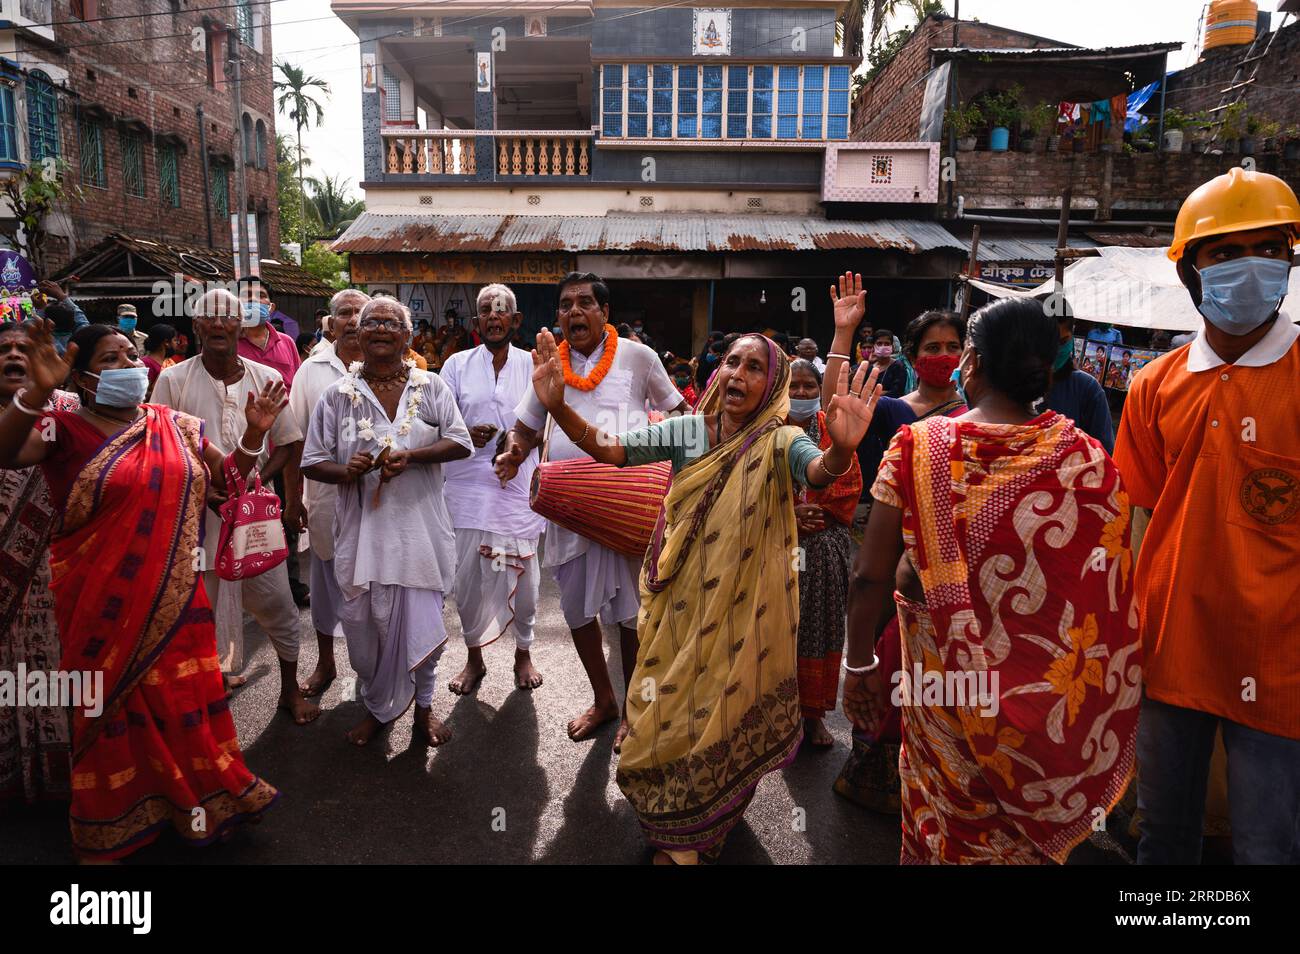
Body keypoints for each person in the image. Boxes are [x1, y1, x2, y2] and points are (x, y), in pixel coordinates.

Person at [526, 328, 879, 863]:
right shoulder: (690, 431)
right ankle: (672, 803)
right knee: (667, 697)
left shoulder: (780, 439)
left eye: (754, 367)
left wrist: (843, 450)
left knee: (724, 704)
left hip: (744, 609)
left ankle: (694, 826)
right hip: (680, 599)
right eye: (732, 362)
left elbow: (817, 471)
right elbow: (616, 451)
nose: (738, 373)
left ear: (773, 383)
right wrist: (559, 408)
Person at [844, 296, 1141, 864]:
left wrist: (859, 665)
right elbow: (1103, 586)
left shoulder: (918, 448)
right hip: (1042, 693)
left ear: (972, 362)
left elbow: (870, 576)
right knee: (1014, 838)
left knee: (946, 813)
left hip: (940, 686)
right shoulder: (1085, 457)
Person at [0, 320, 280, 858]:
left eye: (131, 354)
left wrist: (252, 434)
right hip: (99, 606)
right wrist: (37, 391)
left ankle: (196, 803)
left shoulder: (176, 424)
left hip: (177, 601)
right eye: (110, 359)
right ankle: (120, 815)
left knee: (180, 704)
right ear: (81, 377)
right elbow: (7, 452)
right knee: (112, 711)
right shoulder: (65, 428)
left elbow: (232, 481)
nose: (128, 365)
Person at [1113, 168, 1300, 864]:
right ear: (1192, 270)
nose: (1250, 265)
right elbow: (1141, 519)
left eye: (1269, 247)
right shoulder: (1152, 387)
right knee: (1164, 839)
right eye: (1225, 251)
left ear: (1289, 258)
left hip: (1282, 663)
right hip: (1173, 652)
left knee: (1267, 847)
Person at [494, 272, 685, 746]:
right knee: (579, 609)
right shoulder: (548, 365)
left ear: (605, 312)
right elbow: (524, 426)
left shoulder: (638, 356)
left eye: (584, 303)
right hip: (570, 507)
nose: (573, 312)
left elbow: (678, 413)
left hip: (632, 504)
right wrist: (513, 452)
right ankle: (604, 700)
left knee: (631, 614)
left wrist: (676, 466)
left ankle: (634, 710)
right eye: (564, 305)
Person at [301, 297, 472, 747]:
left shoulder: (431, 386)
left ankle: (424, 709)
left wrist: (412, 456)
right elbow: (312, 461)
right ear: (355, 334)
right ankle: (378, 708)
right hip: (361, 539)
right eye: (370, 321)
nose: (380, 328)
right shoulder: (336, 396)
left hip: (420, 535)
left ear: (408, 336)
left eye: (391, 322)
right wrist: (349, 471)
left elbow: (460, 441)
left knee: (421, 626)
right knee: (363, 630)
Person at [824, 286, 969, 809]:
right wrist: (843, 333)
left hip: (953, 556)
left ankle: (935, 771)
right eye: (931, 347)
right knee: (889, 655)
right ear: (912, 356)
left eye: (953, 345)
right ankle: (877, 771)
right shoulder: (889, 412)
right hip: (892, 551)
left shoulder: (981, 414)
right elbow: (834, 414)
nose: (942, 355)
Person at [151, 289, 317, 723]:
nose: (221, 325)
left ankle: (289, 691)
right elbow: (164, 445)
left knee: (278, 604)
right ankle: (213, 685)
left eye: (229, 318)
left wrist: (262, 478)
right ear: (197, 328)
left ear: (240, 324)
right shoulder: (173, 380)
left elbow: (288, 442)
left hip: (254, 515)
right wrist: (203, 488)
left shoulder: (266, 377)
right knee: (201, 610)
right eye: (211, 318)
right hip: (200, 519)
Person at [440, 284, 547, 695]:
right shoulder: (455, 365)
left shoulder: (534, 365)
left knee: (525, 578)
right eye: (486, 311)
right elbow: (440, 421)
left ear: (515, 321)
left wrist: (519, 445)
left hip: (518, 490)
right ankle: (474, 656)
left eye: (502, 311)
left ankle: (523, 652)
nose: (494, 317)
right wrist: (466, 433)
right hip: (468, 490)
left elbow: (548, 422)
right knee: (468, 580)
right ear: (476, 322)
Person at [0, 321, 77, 805]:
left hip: (63, 573)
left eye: (23, 348)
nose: (13, 354)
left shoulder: (69, 412)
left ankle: (72, 780)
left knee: (64, 672)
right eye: (3, 348)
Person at [287, 288, 369, 699]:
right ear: (331, 323)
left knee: (374, 583)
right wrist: (293, 498)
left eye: (361, 312)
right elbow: (293, 438)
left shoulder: (390, 363)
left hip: (376, 498)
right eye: (345, 313)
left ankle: (374, 666)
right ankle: (326, 661)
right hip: (323, 496)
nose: (353, 320)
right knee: (324, 584)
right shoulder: (311, 370)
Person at [787, 358, 861, 749]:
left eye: (807, 386)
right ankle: (775, 721)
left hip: (824, 550)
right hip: (773, 549)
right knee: (776, 637)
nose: (800, 393)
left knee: (820, 634)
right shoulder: (766, 429)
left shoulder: (832, 429)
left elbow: (850, 484)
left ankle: (813, 716)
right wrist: (788, 514)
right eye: (792, 386)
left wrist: (820, 512)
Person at [1043, 302, 1114, 452]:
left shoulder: (1087, 388)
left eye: (1062, 341)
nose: (1055, 350)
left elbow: (1104, 453)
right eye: (1046, 343)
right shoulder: (1008, 388)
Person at [237, 278, 301, 392]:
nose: (253, 299)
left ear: (271, 308)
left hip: (285, 408)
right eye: (247, 295)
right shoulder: (226, 343)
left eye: (261, 295)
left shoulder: (287, 342)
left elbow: (299, 385)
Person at [870, 329, 908, 398]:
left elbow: (896, 392)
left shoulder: (898, 367)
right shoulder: (869, 368)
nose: (883, 346)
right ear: (874, 346)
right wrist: (884, 392)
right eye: (879, 343)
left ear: (892, 347)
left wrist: (874, 394)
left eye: (887, 344)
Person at [141, 323, 178, 393]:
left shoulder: (168, 361)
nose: (177, 343)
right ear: (166, 342)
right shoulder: (146, 363)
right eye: (175, 340)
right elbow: (143, 394)